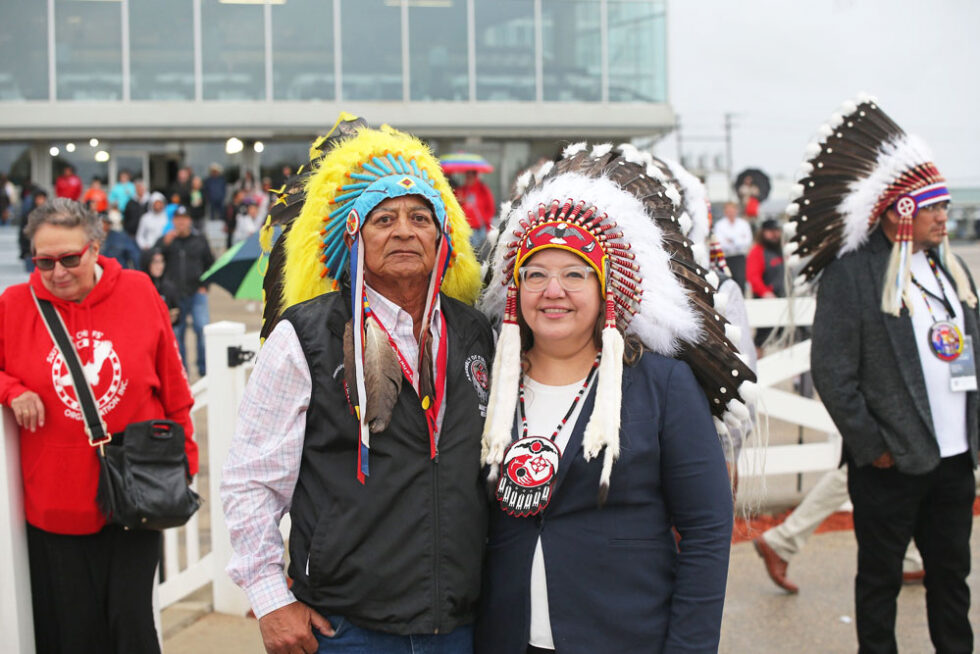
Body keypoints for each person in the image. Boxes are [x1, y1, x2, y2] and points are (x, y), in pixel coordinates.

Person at [221, 115, 489, 654]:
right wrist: (272, 597)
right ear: (354, 235)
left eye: (420, 217)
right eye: (383, 218)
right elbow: (251, 480)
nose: (405, 231)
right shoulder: (306, 335)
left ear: (443, 237)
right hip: (345, 630)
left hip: (460, 625)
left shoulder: (477, 333)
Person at [476, 143, 752, 654]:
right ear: (515, 291)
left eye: (574, 274)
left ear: (606, 288)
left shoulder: (662, 385)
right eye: (535, 274)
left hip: (626, 636)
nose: (552, 290)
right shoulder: (490, 382)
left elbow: (707, 531)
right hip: (505, 637)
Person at [785, 94, 979, 654]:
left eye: (945, 206)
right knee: (879, 585)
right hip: (891, 465)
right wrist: (875, 448)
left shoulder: (949, 269)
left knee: (952, 584)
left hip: (952, 462)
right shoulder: (854, 275)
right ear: (901, 211)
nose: (944, 217)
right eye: (933, 207)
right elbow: (832, 370)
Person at [0, 198, 197, 653]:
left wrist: (186, 462)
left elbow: (173, 384)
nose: (59, 271)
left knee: (131, 625)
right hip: (54, 503)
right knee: (73, 632)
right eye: (44, 261)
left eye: (70, 258)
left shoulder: (138, 290)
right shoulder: (14, 305)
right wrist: (12, 389)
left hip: (135, 493)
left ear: (94, 248)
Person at [154, 206, 213, 377]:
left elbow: (210, 263)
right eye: (178, 219)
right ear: (173, 221)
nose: (181, 222)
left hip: (196, 292)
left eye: (184, 218)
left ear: (190, 221)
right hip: (174, 296)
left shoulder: (199, 240)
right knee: (177, 333)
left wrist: (205, 285)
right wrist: (164, 243)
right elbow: (152, 260)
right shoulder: (167, 241)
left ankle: (204, 369)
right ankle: (182, 371)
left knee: (202, 328)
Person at [746, 218, 785, 355]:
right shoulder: (757, 251)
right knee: (762, 338)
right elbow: (753, 276)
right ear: (763, 233)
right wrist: (765, 293)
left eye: (776, 231)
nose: (774, 235)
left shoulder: (780, 251)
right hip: (766, 299)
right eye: (771, 232)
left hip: (782, 299)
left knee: (787, 335)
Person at [712, 201, 752, 291]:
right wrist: (738, 239)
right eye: (728, 210)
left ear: (736, 211)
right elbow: (720, 243)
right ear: (725, 212)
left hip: (740, 258)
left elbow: (747, 241)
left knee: (740, 281)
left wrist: (732, 240)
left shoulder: (743, 224)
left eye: (732, 210)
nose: (731, 213)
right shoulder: (720, 225)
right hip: (725, 258)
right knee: (726, 281)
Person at [145, 248, 180, 325]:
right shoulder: (142, 286)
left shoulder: (169, 287)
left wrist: (173, 317)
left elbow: (177, 312)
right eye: (155, 262)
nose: (159, 266)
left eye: (161, 262)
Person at [20, 189, 47, 272]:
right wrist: (24, 250)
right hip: (30, 250)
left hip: (45, 250)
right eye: (39, 198)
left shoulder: (49, 214)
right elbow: (23, 233)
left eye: (43, 198)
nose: (41, 201)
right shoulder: (28, 214)